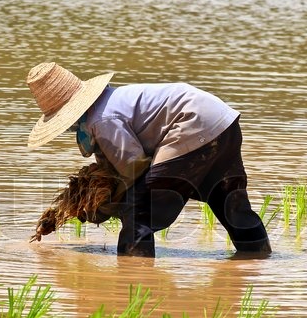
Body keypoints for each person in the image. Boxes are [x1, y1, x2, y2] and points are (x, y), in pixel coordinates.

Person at [25, 61, 271, 257]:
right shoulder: (110, 101)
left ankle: (132, 279)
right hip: (223, 121)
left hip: (190, 123)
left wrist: (100, 204)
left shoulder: (101, 120)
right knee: (228, 201)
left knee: (139, 208)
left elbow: (133, 168)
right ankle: (257, 260)